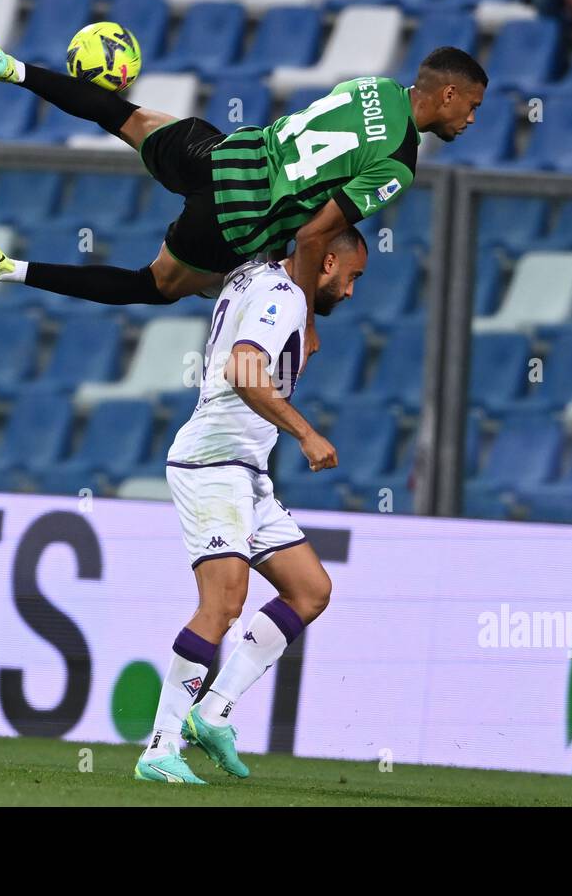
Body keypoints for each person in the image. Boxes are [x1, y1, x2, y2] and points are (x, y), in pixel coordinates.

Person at [0, 15, 483, 360]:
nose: (472, 119)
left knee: (122, 116)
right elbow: (316, 234)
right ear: (449, 93)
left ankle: (10, 67)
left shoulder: (376, 85)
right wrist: (305, 323)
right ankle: (7, 268)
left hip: (228, 151)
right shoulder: (400, 163)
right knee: (151, 286)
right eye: (473, 107)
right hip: (238, 217)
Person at [132, 228, 367, 783]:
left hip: (245, 469)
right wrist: (307, 435)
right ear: (327, 261)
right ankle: (160, 747)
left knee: (309, 590)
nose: (352, 292)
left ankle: (211, 714)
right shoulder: (282, 296)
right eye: (352, 277)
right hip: (213, 463)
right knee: (223, 603)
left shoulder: (253, 275)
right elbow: (243, 370)